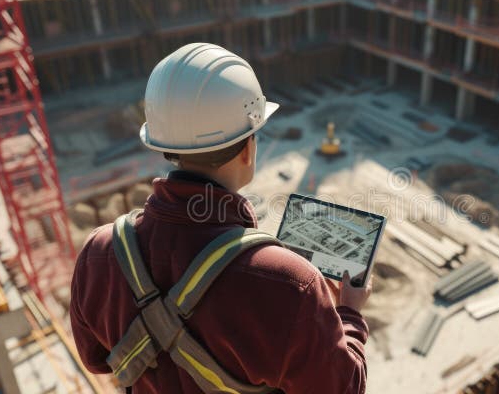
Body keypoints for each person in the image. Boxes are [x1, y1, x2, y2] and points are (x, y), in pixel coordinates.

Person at [70, 43, 373, 394]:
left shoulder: (98, 253)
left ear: (166, 147)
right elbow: (342, 388)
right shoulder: (292, 284)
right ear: (247, 148)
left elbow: (95, 358)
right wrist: (350, 313)